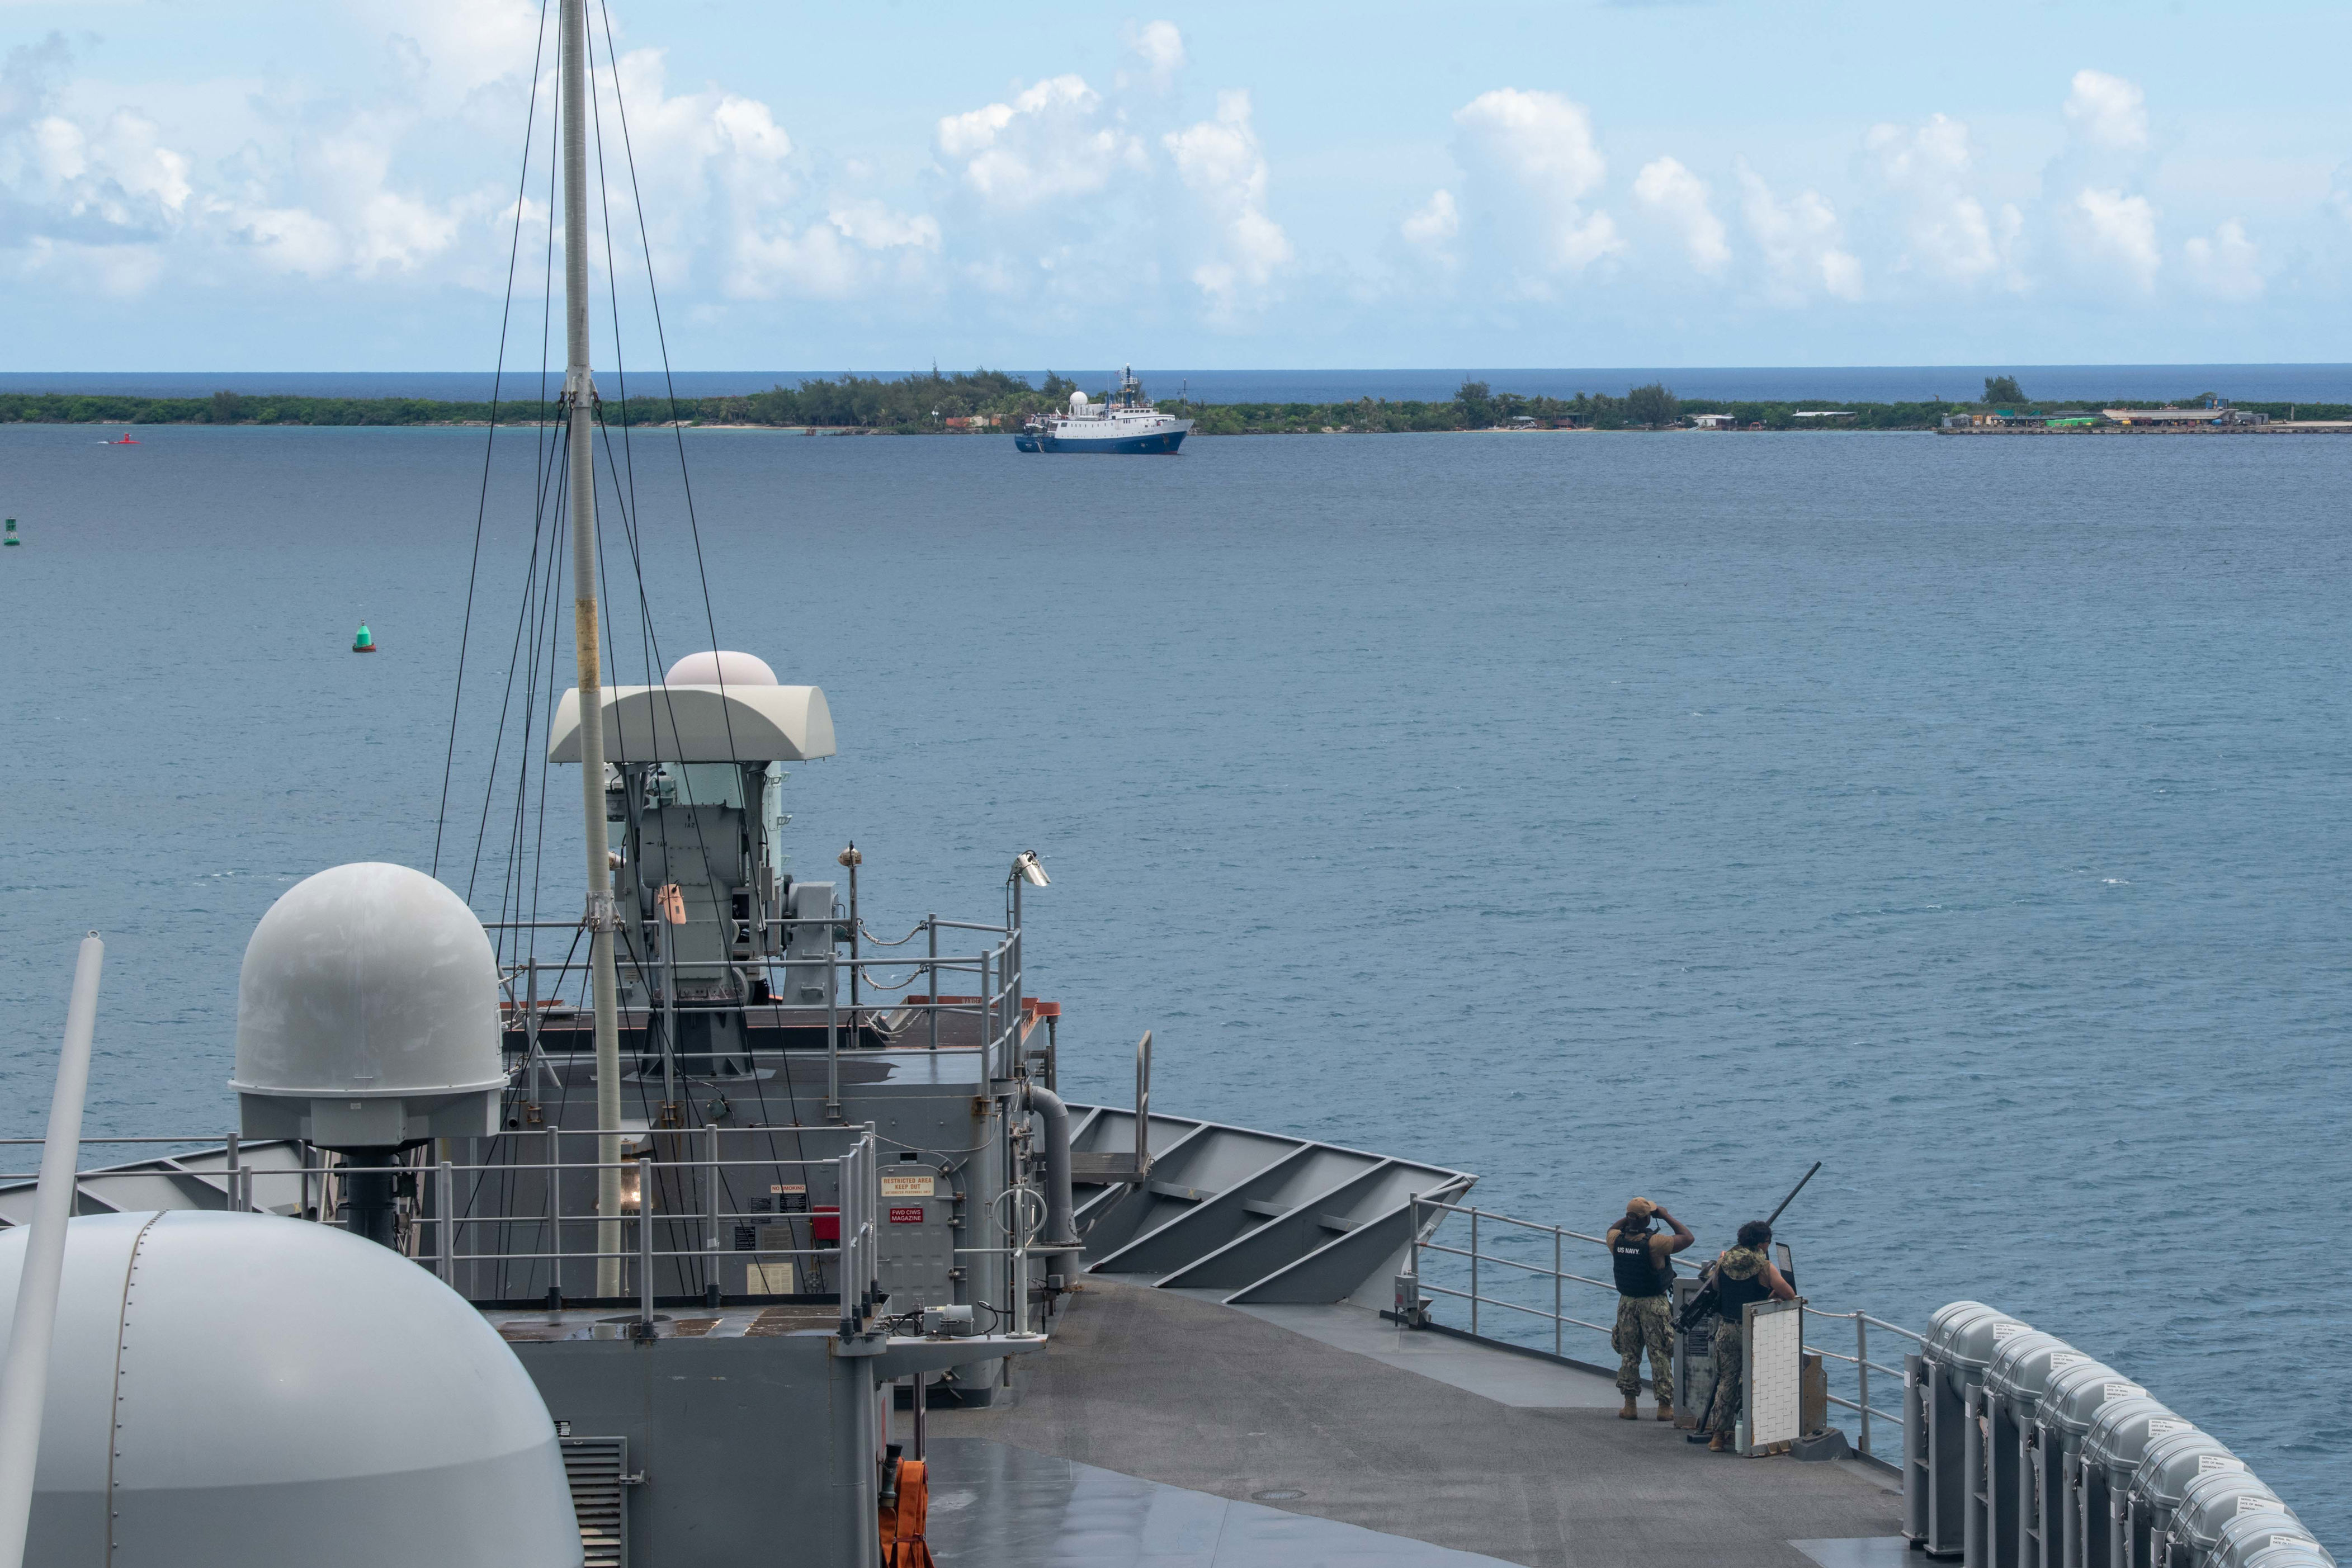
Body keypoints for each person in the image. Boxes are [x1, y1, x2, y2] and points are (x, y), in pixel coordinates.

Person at [1703, 1218, 1798, 1452]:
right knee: (1757, 1379)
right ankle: (1755, 1434)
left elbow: (1715, 1287)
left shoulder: (1724, 1261)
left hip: (1727, 1328)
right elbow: (1789, 1294)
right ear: (1763, 1244)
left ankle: (1718, 1436)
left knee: (1726, 1381)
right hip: (1753, 1330)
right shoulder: (1764, 1267)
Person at [1607, 1197, 1693, 1421]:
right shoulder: (1655, 1243)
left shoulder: (1615, 1239)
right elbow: (1687, 1238)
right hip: (1654, 1303)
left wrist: (1629, 1217)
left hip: (1627, 1302)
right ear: (1647, 1219)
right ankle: (1665, 1407)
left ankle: (1630, 1405)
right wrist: (1664, 1215)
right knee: (1660, 1353)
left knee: (1629, 1354)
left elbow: (1612, 1228)